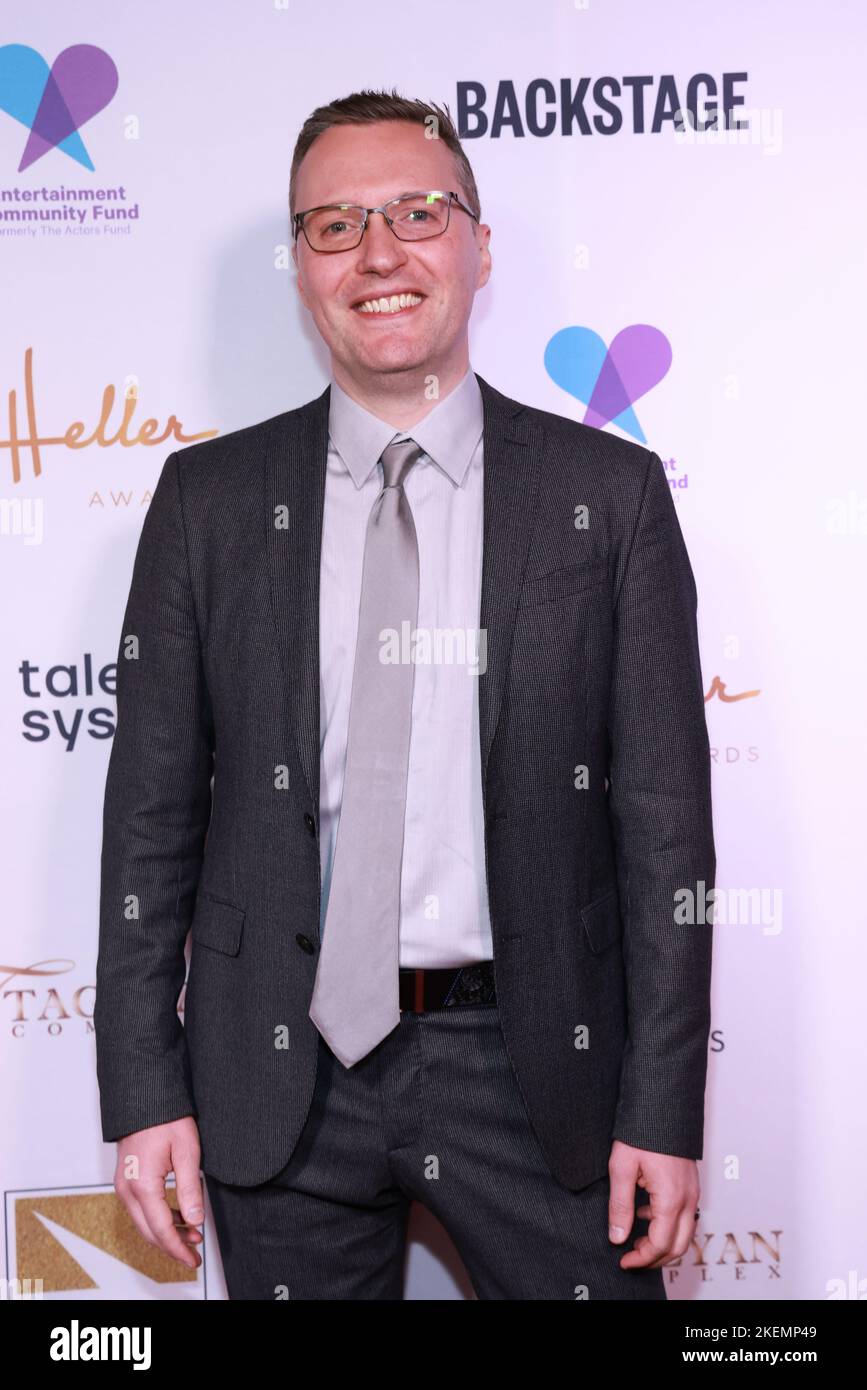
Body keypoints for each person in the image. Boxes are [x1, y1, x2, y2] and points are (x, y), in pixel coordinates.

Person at [94, 89, 715, 1301]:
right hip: (281, 1065)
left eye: (418, 213)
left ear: (479, 247)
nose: (379, 253)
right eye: (334, 224)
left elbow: (666, 832)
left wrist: (666, 1104)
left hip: (540, 1069)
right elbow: (150, 819)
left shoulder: (613, 494)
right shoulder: (205, 504)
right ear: (301, 267)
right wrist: (143, 1085)